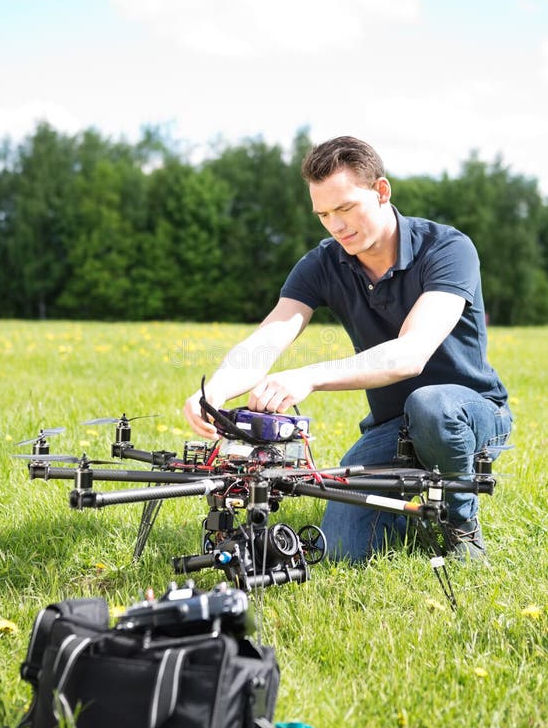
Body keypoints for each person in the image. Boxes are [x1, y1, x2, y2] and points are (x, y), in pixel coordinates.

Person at [184, 136, 512, 562]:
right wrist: (214, 391)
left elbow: (411, 353)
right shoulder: (324, 263)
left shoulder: (447, 248)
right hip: (393, 427)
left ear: (381, 191)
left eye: (345, 208)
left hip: (468, 415)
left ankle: (459, 523)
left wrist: (309, 376)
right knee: (342, 550)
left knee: (431, 405)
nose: (335, 225)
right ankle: (416, 513)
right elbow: (270, 336)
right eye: (323, 215)